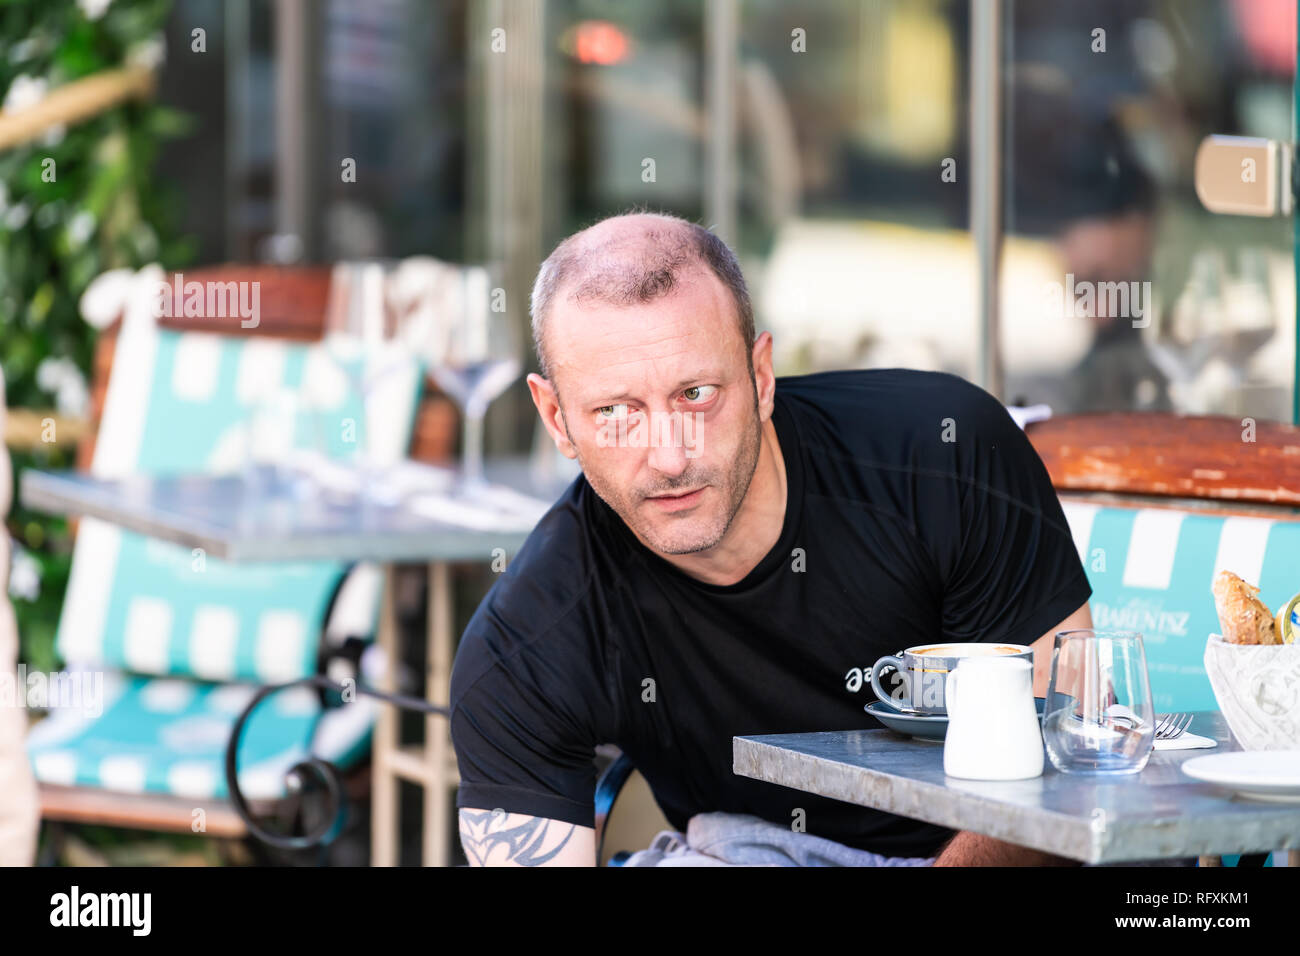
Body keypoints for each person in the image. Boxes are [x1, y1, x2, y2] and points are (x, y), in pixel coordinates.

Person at [450, 210, 1093, 866]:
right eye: (616, 412)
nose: (670, 457)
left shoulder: (941, 452)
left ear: (761, 377)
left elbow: (1065, 769)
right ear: (556, 419)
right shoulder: (523, 645)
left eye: (696, 394)